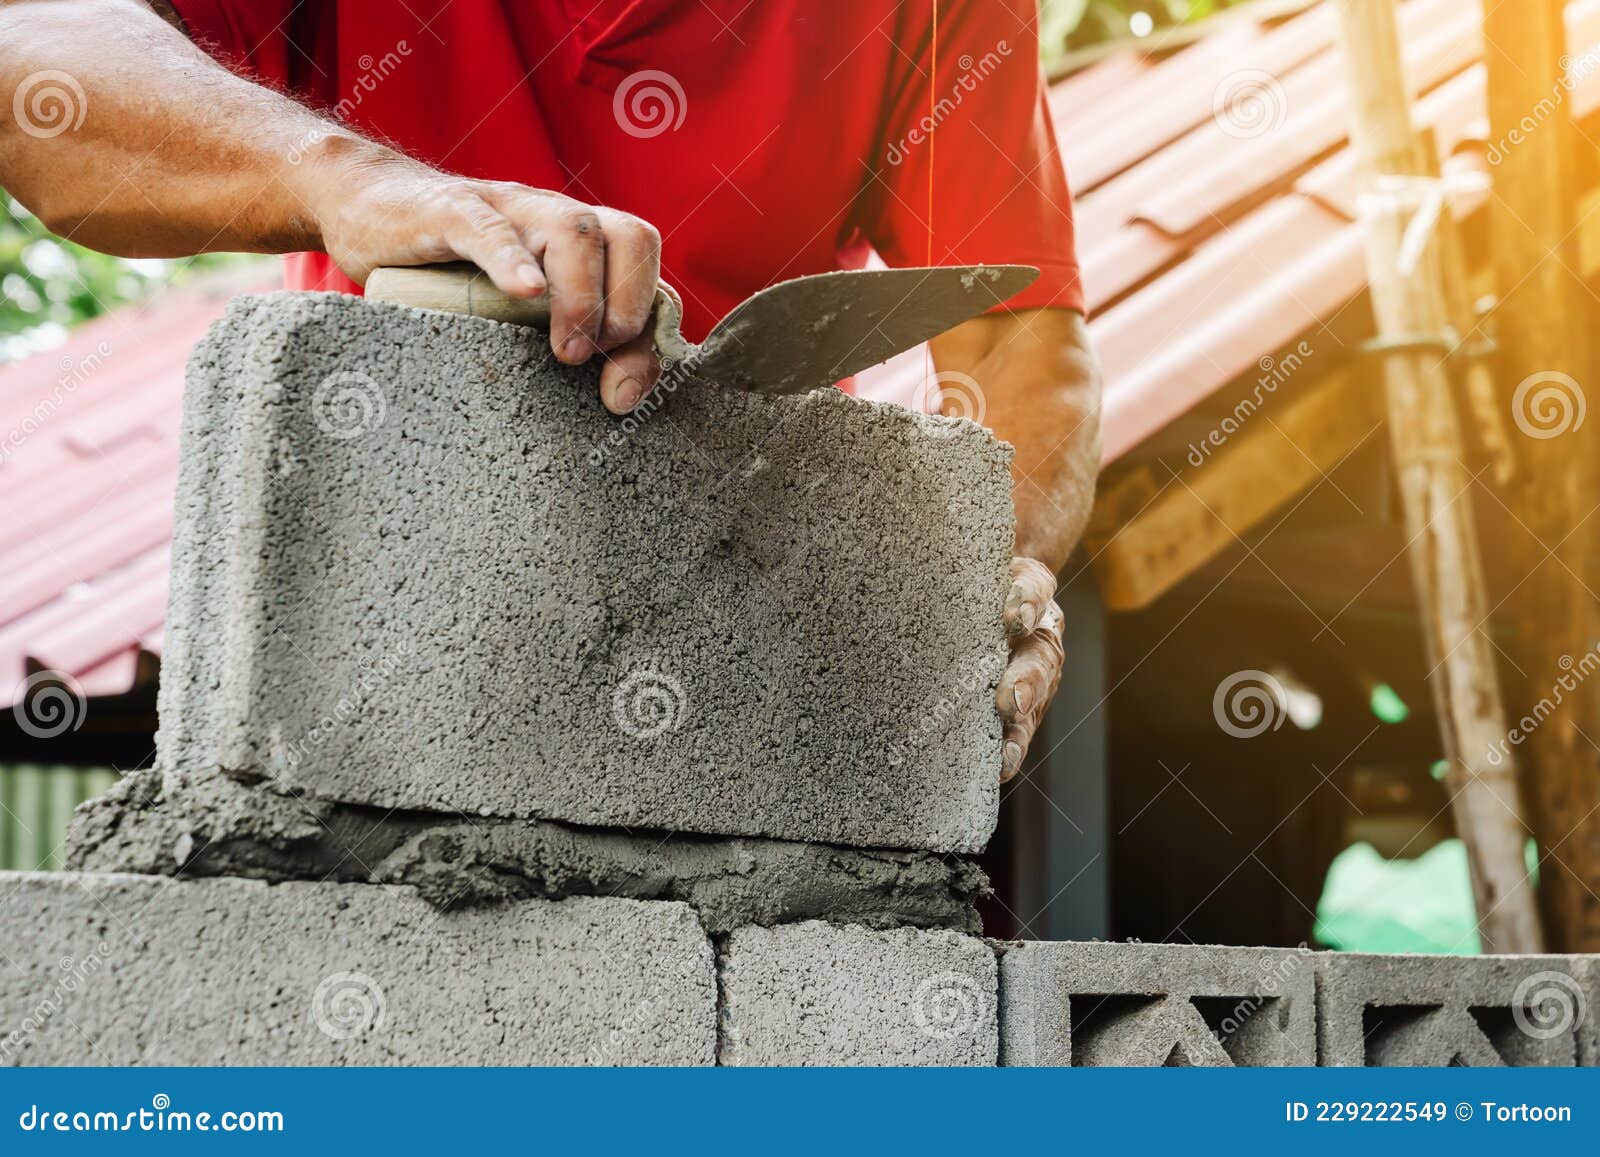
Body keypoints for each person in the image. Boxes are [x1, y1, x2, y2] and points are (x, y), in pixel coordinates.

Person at [0, 0, 1101, 781]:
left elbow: (1021, 350)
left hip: (744, 663)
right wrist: (348, 179)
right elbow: (31, 66)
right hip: (384, 634)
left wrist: (996, 577)